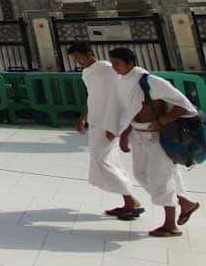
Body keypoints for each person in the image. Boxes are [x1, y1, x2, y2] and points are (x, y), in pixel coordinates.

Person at [110, 47, 201, 237]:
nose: (114, 67)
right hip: (139, 135)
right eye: (112, 63)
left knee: (161, 178)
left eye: (117, 63)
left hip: (158, 137)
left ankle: (170, 224)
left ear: (129, 63)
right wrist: (124, 135)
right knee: (141, 174)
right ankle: (184, 202)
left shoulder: (150, 81)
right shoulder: (123, 83)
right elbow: (130, 110)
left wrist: (163, 120)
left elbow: (184, 105)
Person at [66, 43, 142, 219]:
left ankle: (131, 200)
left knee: (101, 159)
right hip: (96, 120)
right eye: (75, 59)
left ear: (89, 54)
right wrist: (83, 118)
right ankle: (128, 201)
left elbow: (117, 97)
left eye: (79, 57)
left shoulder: (107, 70)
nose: (78, 61)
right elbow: (92, 96)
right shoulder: (87, 72)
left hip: (108, 122)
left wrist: (114, 125)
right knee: (108, 160)